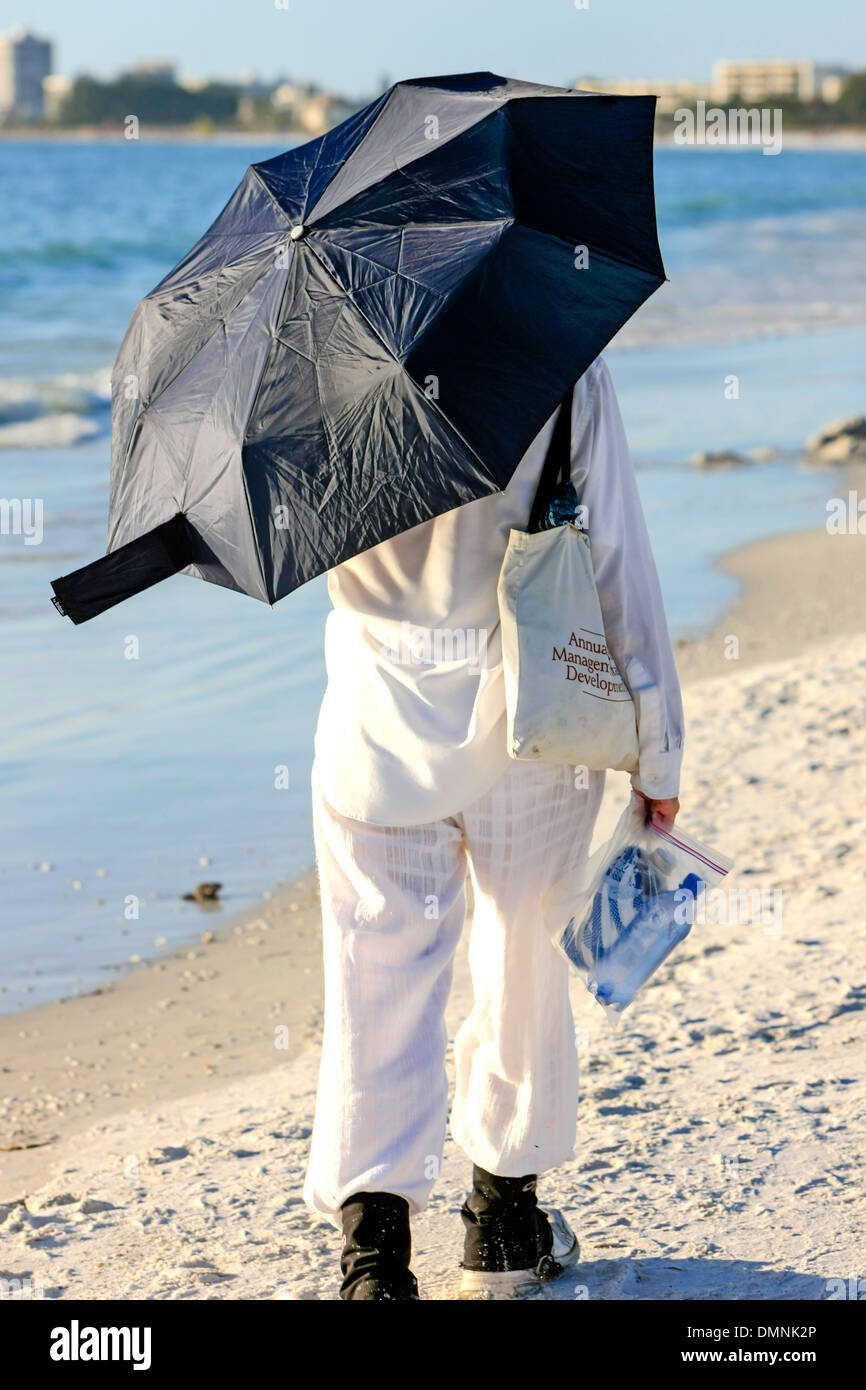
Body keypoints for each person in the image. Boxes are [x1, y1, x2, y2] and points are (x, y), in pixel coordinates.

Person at [302, 355, 683, 1300]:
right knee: (523, 956)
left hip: (375, 711)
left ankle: (375, 1258)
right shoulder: (559, 352)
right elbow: (618, 561)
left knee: (373, 973)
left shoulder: (311, 362)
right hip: (532, 705)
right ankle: (505, 1228)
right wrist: (657, 746)